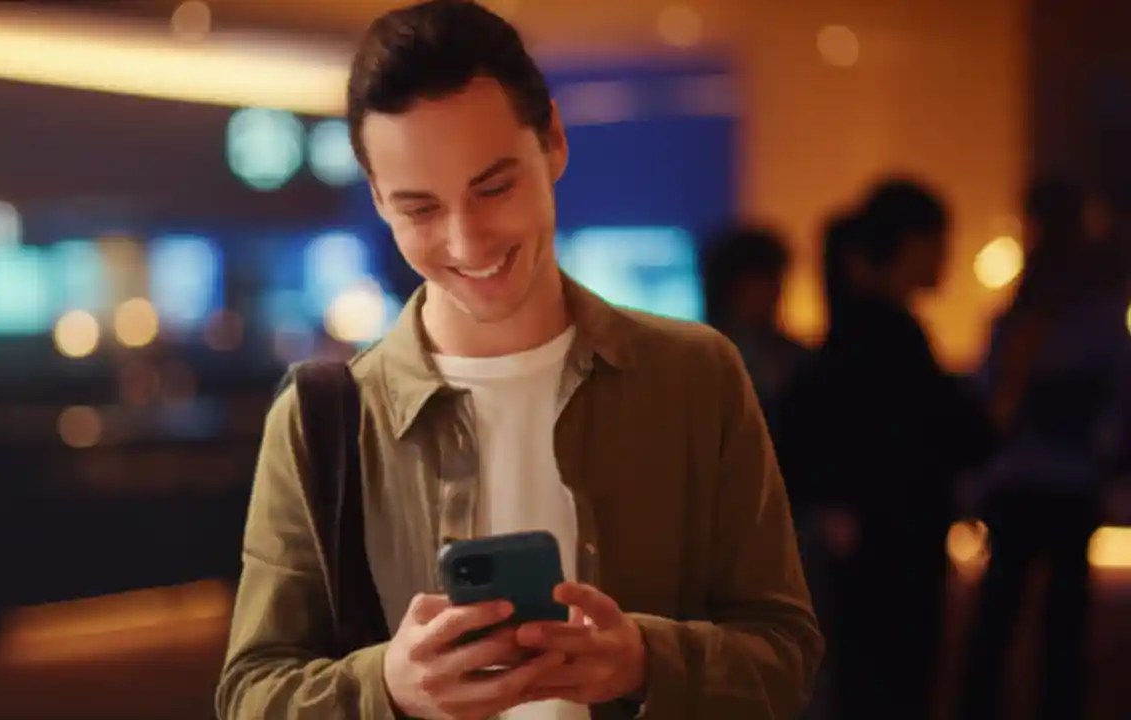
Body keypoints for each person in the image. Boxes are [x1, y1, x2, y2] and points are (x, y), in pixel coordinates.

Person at [215, 1, 822, 718]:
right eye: (420, 209)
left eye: (494, 187)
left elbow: (786, 656)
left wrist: (646, 661)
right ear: (378, 198)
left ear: (554, 143)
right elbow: (250, 691)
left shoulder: (695, 377)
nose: (468, 243)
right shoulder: (323, 418)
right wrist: (387, 689)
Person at [777, 179, 995, 720]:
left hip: (869, 546)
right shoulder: (892, 336)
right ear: (912, 243)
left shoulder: (854, 332)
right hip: (896, 548)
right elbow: (962, 436)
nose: (947, 255)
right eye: (940, 240)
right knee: (891, 686)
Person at [960, 179, 1131, 720]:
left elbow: (991, 399)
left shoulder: (1023, 317)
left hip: (1027, 479)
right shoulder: (1087, 317)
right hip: (1063, 480)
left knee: (1004, 615)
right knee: (1057, 622)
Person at [703, 226, 808, 421]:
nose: (772, 295)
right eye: (758, 284)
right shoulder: (696, 360)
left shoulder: (800, 361)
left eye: (775, 282)